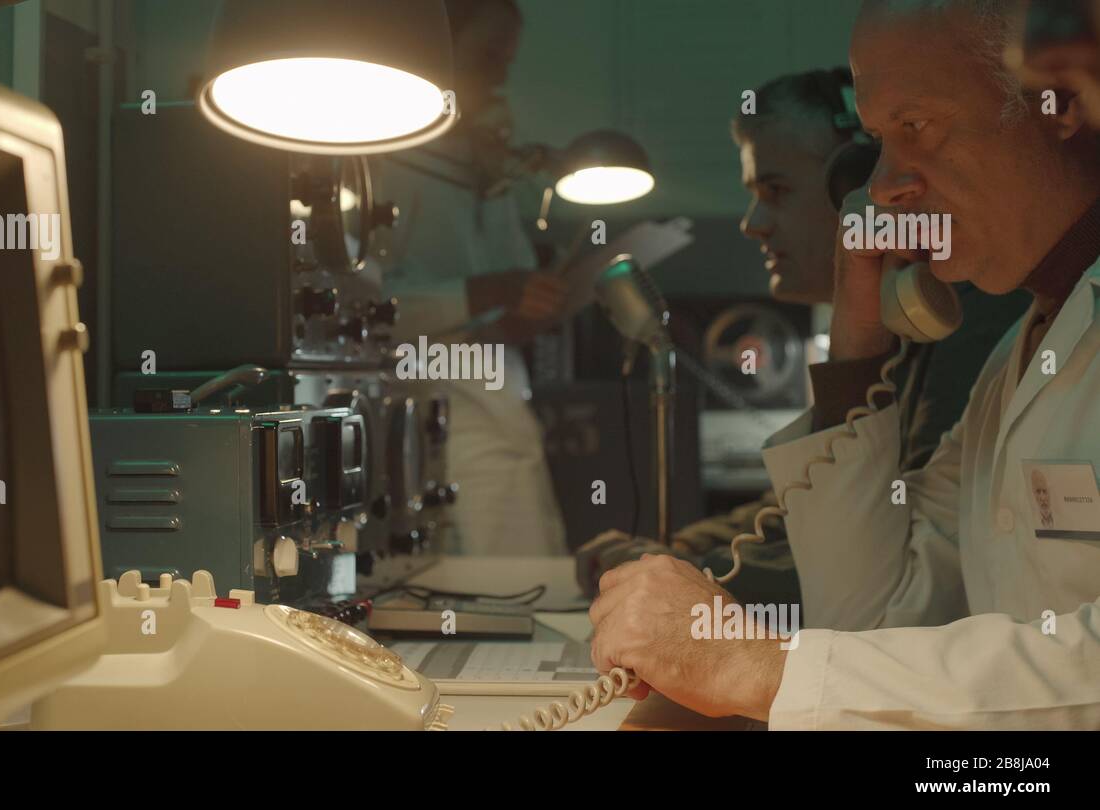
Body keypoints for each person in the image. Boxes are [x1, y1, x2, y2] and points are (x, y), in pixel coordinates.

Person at [589, 0, 1100, 728]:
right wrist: (857, 345)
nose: (885, 185)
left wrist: (752, 665)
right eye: (878, 141)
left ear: (1060, 100)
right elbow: (876, 620)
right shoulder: (1019, 355)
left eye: (916, 127)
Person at [653, 69, 1031, 608]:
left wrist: (687, 579)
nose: (753, 223)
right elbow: (815, 495)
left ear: (855, 184)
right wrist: (688, 550)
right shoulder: (914, 318)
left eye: (775, 191)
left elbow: (894, 544)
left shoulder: (978, 321)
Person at [373, 0, 571, 556]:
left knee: (532, 573)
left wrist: (529, 307)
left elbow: (513, 281)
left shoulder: (483, 168)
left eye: (508, 60)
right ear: (440, 51)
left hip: (503, 407)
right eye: (489, 57)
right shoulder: (385, 160)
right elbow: (361, 310)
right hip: (433, 415)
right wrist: (487, 293)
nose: (502, 75)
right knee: (497, 583)